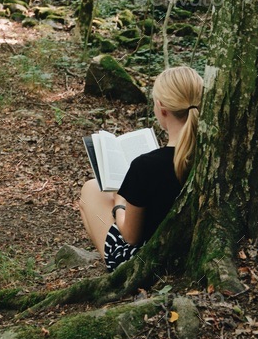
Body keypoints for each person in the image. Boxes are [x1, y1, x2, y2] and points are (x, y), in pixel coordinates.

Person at [79, 65, 203, 273]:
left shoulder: (146, 166)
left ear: (161, 108)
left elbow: (131, 236)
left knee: (89, 192)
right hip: (188, 251)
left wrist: (119, 205)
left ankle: (115, 273)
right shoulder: (212, 157)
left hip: (145, 261)